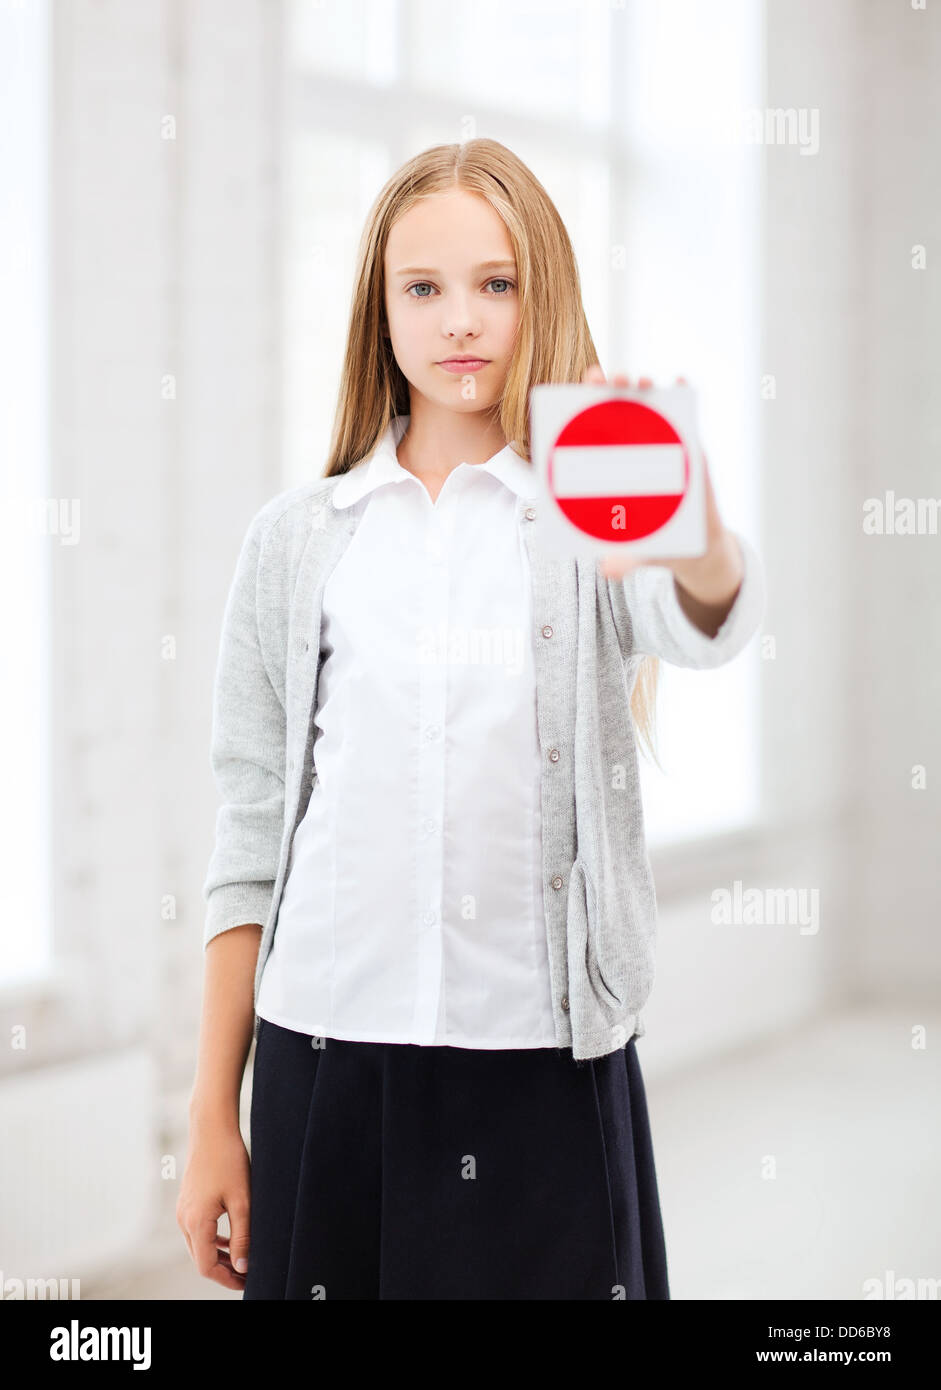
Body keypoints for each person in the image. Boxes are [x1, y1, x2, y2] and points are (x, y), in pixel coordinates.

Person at [177, 137, 765, 1300]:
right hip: (321, 1068)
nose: (461, 320)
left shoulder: (591, 518)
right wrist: (211, 1113)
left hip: (540, 1072)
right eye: (424, 287)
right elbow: (250, 841)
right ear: (378, 308)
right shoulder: (298, 540)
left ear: (538, 292)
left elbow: (705, 618)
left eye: (495, 284)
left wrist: (689, 525)